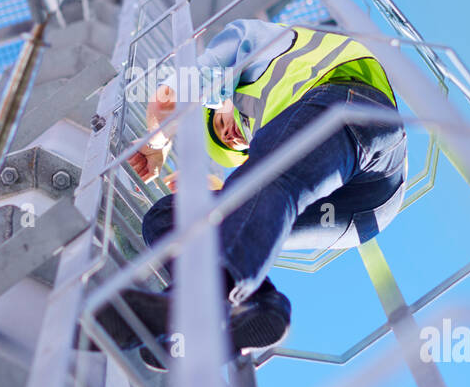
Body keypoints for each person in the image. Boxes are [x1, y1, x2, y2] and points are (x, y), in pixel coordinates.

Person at [97, 18, 407, 366]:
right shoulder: (272, 127)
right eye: (235, 142)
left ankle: (198, 302)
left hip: (353, 110)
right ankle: (254, 306)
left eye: (219, 125)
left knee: (263, 181)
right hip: (357, 216)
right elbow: (263, 186)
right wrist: (223, 198)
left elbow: (179, 92)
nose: (232, 134)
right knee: (166, 215)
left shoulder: (253, 47)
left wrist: (158, 138)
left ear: (221, 103)